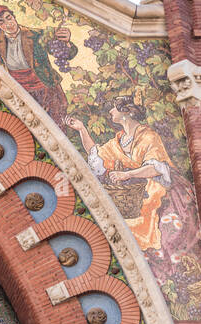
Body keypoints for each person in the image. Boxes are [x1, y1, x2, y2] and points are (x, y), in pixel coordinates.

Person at [65, 98, 173, 251]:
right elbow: (95, 153)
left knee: (140, 223)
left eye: (113, 108)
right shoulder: (119, 140)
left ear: (125, 112)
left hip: (151, 190)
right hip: (128, 195)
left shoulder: (149, 137)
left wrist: (126, 175)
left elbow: (156, 168)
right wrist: (82, 129)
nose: (110, 111)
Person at [0, 5, 75, 126]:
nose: (8, 24)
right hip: (20, 90)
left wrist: (67, 42)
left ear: (14, 16)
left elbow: (64, 53)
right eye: (1, 22)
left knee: (55, 121)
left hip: (44, 85)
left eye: (9, 18)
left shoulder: (35, 35)